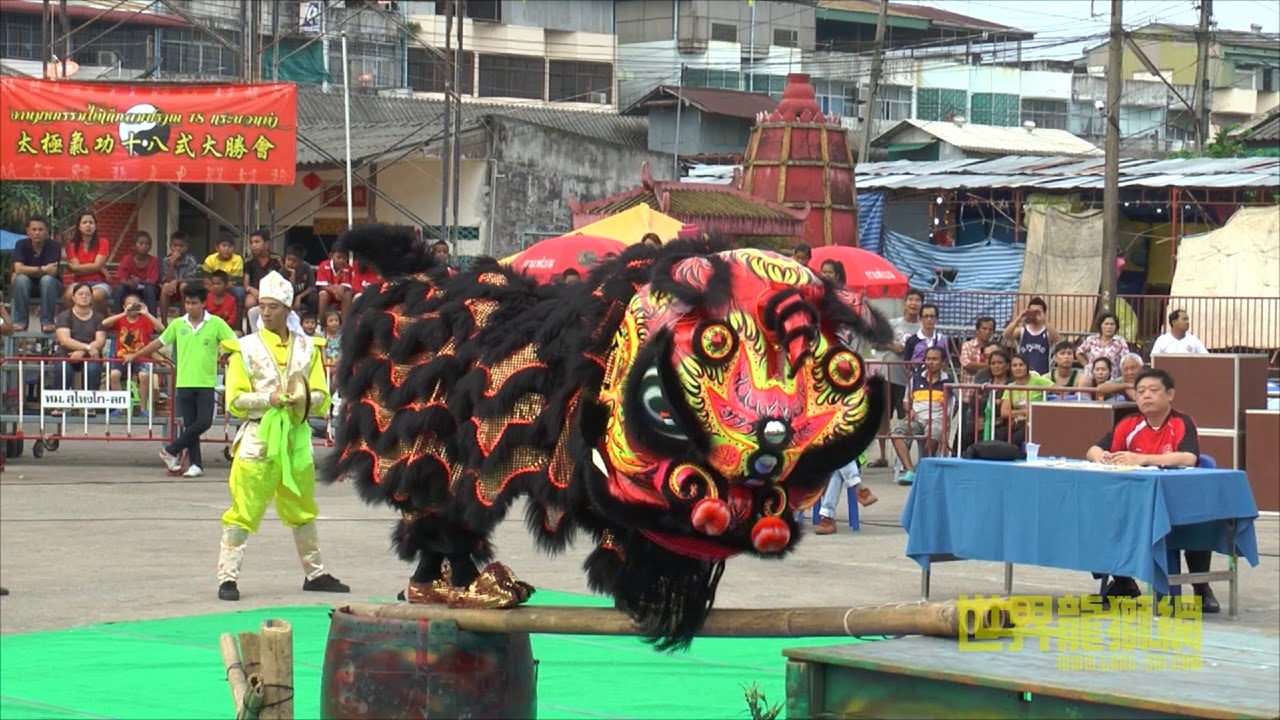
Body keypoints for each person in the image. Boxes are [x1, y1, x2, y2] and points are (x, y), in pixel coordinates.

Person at [216, 271, 350, 601]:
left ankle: (315, 573)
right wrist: (269, 399)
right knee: (244, 508)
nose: (265, 312)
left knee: (302, 506)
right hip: (258, 438)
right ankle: (227, 578)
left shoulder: (308, 348)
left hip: (295, 437)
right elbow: (234, 400)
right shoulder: (243, 348)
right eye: (262, 306)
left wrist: (303, 398)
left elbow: (320, 394)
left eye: (273, 306)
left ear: (287, 308)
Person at [1084, 367, 1217, 612]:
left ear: (1170, 394)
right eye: (1141, 391)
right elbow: (1092, 450)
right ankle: (1124, 583)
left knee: (1199, 521)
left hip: (1176, 500)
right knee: (1095, 518)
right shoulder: (1129, 423)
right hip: (1131, 501)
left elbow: (1189, 457)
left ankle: (1201, 587)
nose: (1146, 396)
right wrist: (1101, 457)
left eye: (1153, 390)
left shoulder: (1181, 422)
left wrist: (1142, 459)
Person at [129, 283, 236, 478]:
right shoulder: (178, 324)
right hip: (184, 381)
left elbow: (234, 340)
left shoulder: (216, 323)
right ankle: (195, 465)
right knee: (190, 425)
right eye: (187, 303)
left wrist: (226, 350)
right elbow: (159, 342)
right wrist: (136, 355)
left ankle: (170, 450)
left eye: (194, 303)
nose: (190, 307)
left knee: (203, 422)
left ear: (204, 303)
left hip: (206, 382)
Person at [868, 288, 923, 467]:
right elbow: (875, 342)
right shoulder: (892, 324)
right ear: (904, 303)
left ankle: (903, 457)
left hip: (909, 380)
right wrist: (892, 346)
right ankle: (883, 455)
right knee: (883, 416)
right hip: (887, 376)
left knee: (905, 418)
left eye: (917, 300)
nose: (914, 303)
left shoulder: (923, 328)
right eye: (911, 300)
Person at [889, 346, 952, 485]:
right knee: (896, 432)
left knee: (934, 435)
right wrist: (910, 410)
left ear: (942, 362)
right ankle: (910, 470)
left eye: (935, 359)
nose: (931, 362)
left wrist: (946, 418)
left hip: (936, 420)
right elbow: (906, 400)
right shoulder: (916, 378)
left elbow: (956, 403)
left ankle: (923, 467)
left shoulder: (948, 380)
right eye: (928, 359)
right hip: (916, 419)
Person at [103, 292, 164, 416]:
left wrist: (146, 313)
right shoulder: (121, 319)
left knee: (143, 376)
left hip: (141, 356)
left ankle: (143, 408)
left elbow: (162, 329)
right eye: (128, 305)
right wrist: (123, 314)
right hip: (122, 357)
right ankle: (120, 407)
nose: (132, 307)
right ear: (124, 306)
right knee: (114, 375)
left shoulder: (145, 320)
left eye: (135, 305)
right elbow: (104, 323)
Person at [52, 283, 107, 417]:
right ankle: (60, 405)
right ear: (73, 298)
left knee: (92, 369)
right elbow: (64, 340)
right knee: (63, 368)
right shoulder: (64, 316)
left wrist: (83, 352)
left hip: (90, 354)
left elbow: (100, 340)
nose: (84, 297)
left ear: (92, 298)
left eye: (87, 294)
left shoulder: (98, 317)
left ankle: (89, 405)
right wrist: (86, 347)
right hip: (68, 353)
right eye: (80, 294)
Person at [9, 215, 62, 333]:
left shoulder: (54, 245)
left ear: (46, 231)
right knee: (21, 279)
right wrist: (43, 269)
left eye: (40, 229)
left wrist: (26, 270)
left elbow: (52, 271)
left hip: (52, 287)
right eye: (34, 230)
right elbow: (18, 269)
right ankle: (21, 321)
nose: (37, 233)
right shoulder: (21, 244)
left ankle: (47, 322)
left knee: (47, 280)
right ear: (28, 231)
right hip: (28, 287)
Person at [62, 211, 112, 313]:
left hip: (99, 283)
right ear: (79, 227)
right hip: (79, 282)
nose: (88, 225)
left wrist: (97, 267)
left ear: (96, 226)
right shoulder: (72, 246)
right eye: (84, 222)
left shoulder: (103, 242)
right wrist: (96, 267)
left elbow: (77, 268)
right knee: (68, 295)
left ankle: (100, 322)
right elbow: (76, 270)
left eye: (91, 222)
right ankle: (71, 323)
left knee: (96, 295)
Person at [1002, 297, 1059, 375]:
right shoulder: (1022, 331)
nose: (1035, 315)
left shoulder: (1047, 332)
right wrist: (1019, 318)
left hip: (1043, 375)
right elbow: (1006, 335)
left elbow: (1057, 339)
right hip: (1023, 375)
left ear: (1044, 313)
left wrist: (1044, 320)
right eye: (1032, 312)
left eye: (1037, 312)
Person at [113, 230, 160, 315]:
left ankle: (152, 323)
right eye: (141, 244)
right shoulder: (127, 259)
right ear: (133, 246)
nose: (144, 246)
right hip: (131, 288)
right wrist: (129, 283)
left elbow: (153, 282)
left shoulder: (153, 260)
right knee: (119, 289)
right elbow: (122, 279)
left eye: (147, 244)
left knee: (149, 289)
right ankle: (117, 320)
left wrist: (140, 281)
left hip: (147, 290)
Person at [244, 228, 284, 324]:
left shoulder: (276, 259)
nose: (253, 245)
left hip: (273, 291)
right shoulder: (248, 261)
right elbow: (246, 284)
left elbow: (282, 281)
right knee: (250, 303)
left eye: (257, 242)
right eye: (251, 242)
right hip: (255, 292)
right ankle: (252, 333)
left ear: (266, 244)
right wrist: (253, 291)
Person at [158, 232, 199, 320]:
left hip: (186, 291)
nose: (178, 248)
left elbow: (191, 280)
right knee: (165, 286)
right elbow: (167, 280)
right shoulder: (166, 260)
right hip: (171, 291)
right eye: (175, 246)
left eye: (181, 246)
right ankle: (164, 323)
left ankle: (184, 319)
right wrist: (172, 263)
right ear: (170, 246)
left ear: (186, 247)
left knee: (183, 286)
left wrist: (176, 281)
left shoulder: (191, 260)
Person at [202, 234, 246, 307]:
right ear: (217, 248)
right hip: (213, 286)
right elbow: (206, 277)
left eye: (230, 246)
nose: (227, 249)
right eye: (224, 246)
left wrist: (222, 286)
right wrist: (213, 286)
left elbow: (235, 280)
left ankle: (238, 317)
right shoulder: (210, 259)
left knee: (239, 291)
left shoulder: (238, 259)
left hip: (229, 287)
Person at [316, 247, 354, 319]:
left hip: (340, 294)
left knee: (347, 294)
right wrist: (335, 290)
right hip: (328, 293)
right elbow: (322, 285)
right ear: (331, 256)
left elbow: (346, 285)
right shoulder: (323, 265)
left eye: (344, 258)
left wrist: (340, 290)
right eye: (338, 257)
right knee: (323, 294)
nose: (341, 260)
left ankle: (344, 324)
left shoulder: (348, 268)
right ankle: (321, 323)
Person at [283, 244, 317, 316]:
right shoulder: (282, 271)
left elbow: (312, 287)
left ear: (301, 262)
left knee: (313, 297)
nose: (290, 263)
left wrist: (299, 297)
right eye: (288, 259)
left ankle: (311, 318)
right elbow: (284, 292)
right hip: (289, 296)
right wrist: (292, 281)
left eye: (294, 261)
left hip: (303, 296)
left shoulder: (306, 268)